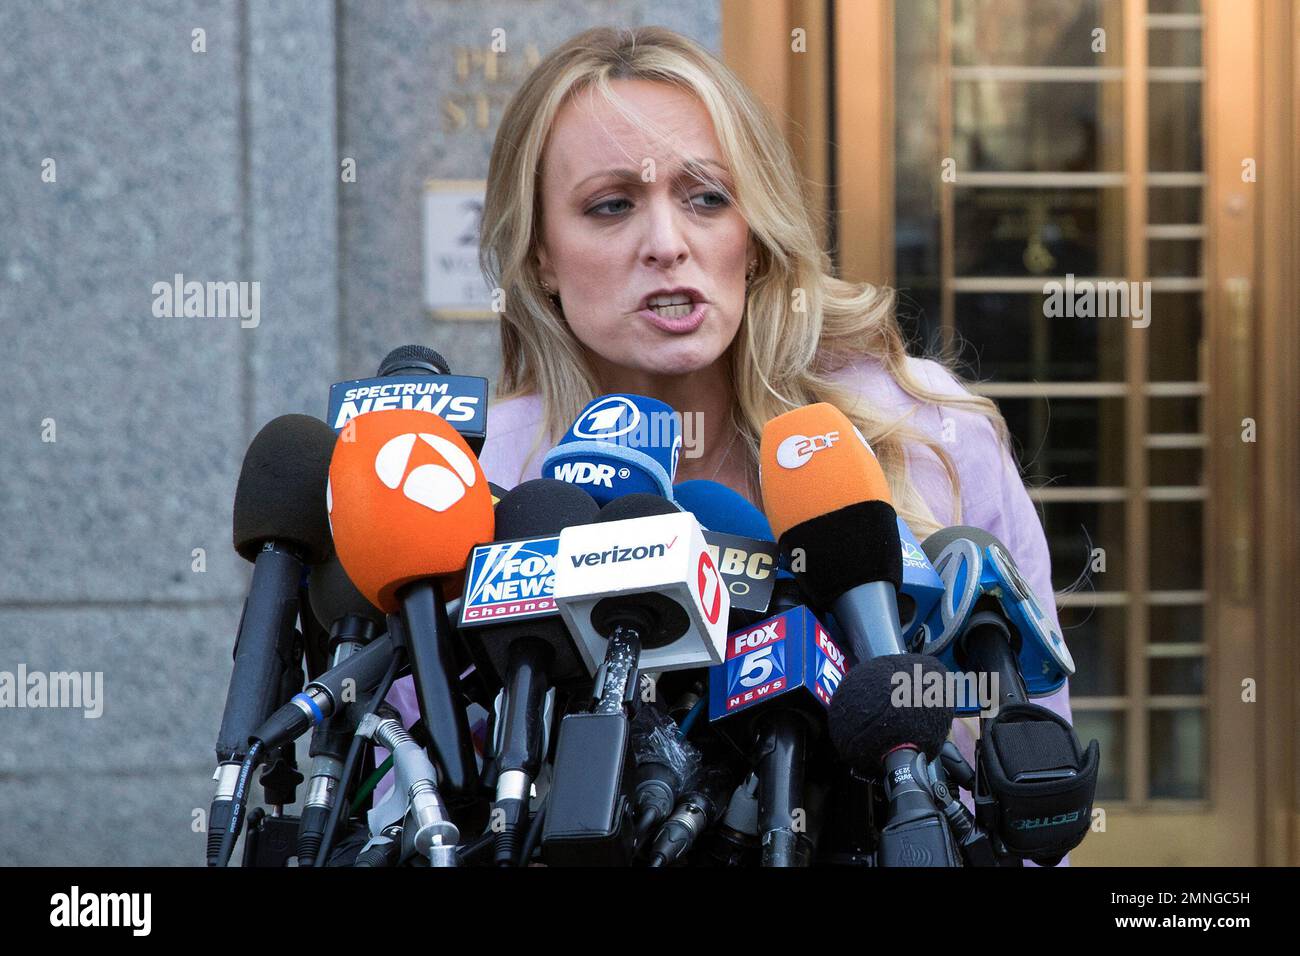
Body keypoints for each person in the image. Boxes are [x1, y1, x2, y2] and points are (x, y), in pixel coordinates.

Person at [388, 25, 1073, 860]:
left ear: (752, 236)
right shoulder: (472, 486)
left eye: (707, 197)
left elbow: (1035, 792)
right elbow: (408, 801)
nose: (668, 243)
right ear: (539, 256)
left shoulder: (932, 441)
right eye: (612, 205)